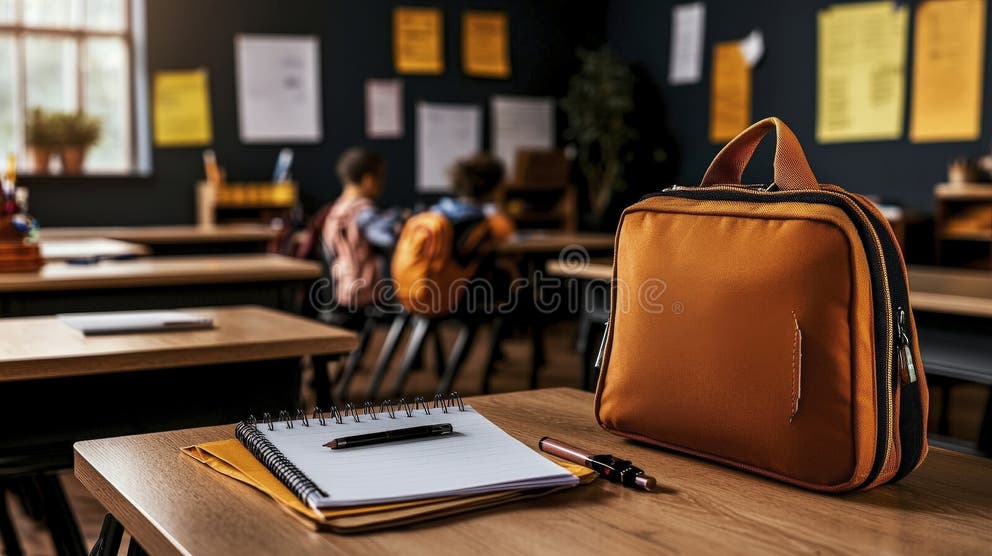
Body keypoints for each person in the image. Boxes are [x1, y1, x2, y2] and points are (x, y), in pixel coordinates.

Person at [321, 147, 403, 311]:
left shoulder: (335, 210)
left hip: (340, 286)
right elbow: (387, 238)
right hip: (365, 291)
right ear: (368, 180)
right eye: (381, 180)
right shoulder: (363, 212)